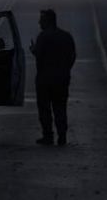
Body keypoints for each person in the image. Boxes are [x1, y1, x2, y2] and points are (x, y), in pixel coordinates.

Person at [30, 9, 76, 146]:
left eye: (41, 20)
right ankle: (62, 136)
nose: (39, 23)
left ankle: (48, 135)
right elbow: (72, 56)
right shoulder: (66, 36)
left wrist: (33, 50)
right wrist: (65, 70)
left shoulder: (43, 36)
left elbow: (39, 54)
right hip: (62, 79)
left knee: (44, 108)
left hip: (45, 79)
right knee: (60, 107)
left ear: (48, 21)